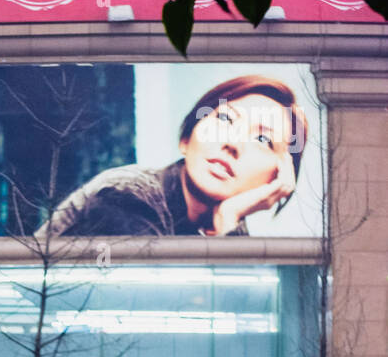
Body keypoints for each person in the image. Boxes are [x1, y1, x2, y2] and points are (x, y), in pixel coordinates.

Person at [46, 75, 307, 238]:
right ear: (185, 140)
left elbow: (242, 309)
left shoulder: (221, 218)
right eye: (226, 119)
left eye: (262, 139)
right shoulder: (127, 195)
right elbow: (153, 297)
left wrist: (230, 218)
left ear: (275, 179)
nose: (232, 143)